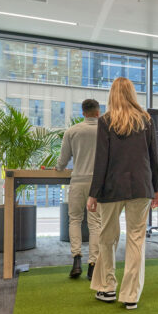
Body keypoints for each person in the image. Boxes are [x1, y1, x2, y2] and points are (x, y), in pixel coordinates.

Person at [87, 77, 158, 310]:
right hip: (141, 186)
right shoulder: (146, 120)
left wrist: (93, 193)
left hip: (111, 187)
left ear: (112, 95)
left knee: (107, 237)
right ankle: (131, 295)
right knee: (136, 239)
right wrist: (157, 188)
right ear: (132, 94)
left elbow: (102, 161)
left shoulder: (106, 121)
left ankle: (108, 287)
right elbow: (153, 158)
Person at [56, 99, 102, 280]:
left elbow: (63, 159)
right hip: (97, 184)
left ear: (83, 113)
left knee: (74, 220)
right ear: (98, 113)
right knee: (95, 224)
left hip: (78, 181)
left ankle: (76, 260)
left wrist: (58, 168)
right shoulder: (105, 131)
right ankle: (93, 264)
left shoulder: (72, 131)